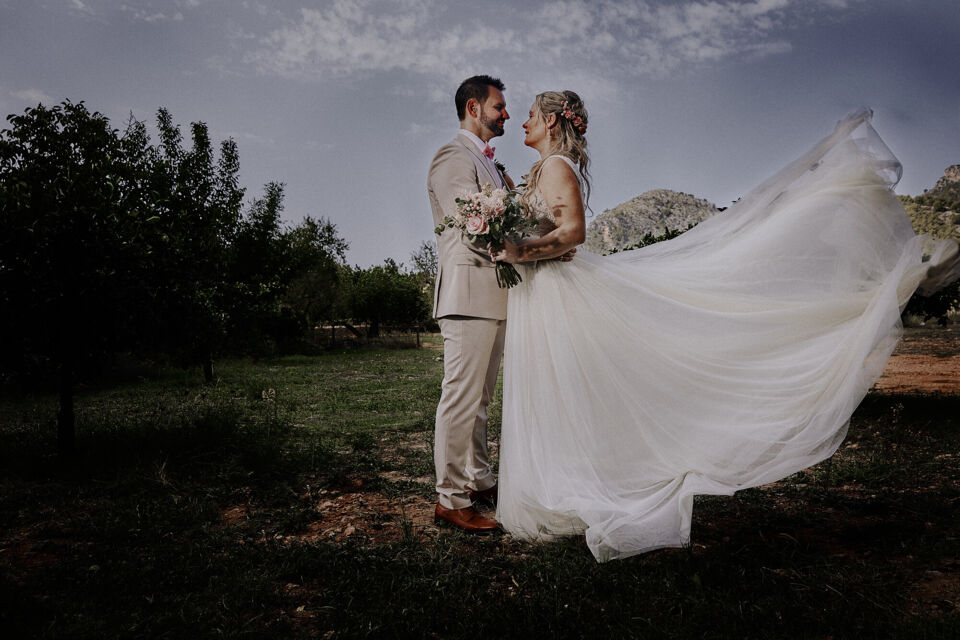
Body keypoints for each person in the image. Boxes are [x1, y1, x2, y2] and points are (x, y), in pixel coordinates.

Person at [491, 91, 960, 561]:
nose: (524, 122)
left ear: (552, 121)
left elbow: (572, 234)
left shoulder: (556, 167)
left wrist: (516, 251)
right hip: (543, 293)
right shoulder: (543, 168)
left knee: (565, 388)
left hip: (556, 290)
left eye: (531, 114)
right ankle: (558, 485)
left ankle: (575, 487)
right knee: (558, 390)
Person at [427, 75, 514, 533]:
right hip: (466, 291)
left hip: (496, 292)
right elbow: (469, 214)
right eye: (499, 107)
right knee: (460, 397)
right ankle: (450, 498)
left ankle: (479, 478)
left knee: (481, 398)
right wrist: (510, 212)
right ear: (474, 108)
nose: (506, 114)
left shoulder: (494, 166)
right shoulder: (451, 156)